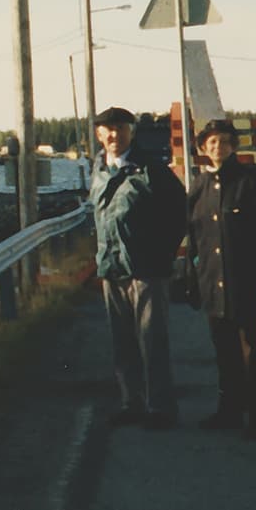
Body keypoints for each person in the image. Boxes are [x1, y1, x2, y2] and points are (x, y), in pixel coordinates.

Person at [184, 118, 256, 439]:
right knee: (225, 353)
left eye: (225, 142)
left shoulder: (251, 182)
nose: (219, 148)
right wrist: (192, 279)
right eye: (212, 143)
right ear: (203, 148)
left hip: (249, 285)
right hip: (214, 285)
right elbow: (195, 238)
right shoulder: (200, 186)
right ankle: (229, 411)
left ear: (234, 147)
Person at [89, 106, 188, 430]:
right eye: (108, 129)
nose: (114, 135)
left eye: (120, 128)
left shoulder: (151, 170)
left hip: (146, 270)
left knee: (152, 341)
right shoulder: (99, 169)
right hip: (112, 268)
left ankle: (161, 409)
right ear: (99, 135)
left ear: (131, 132)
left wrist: (161, 254)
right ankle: (131, 403)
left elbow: (179, 213)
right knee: (123, 343)